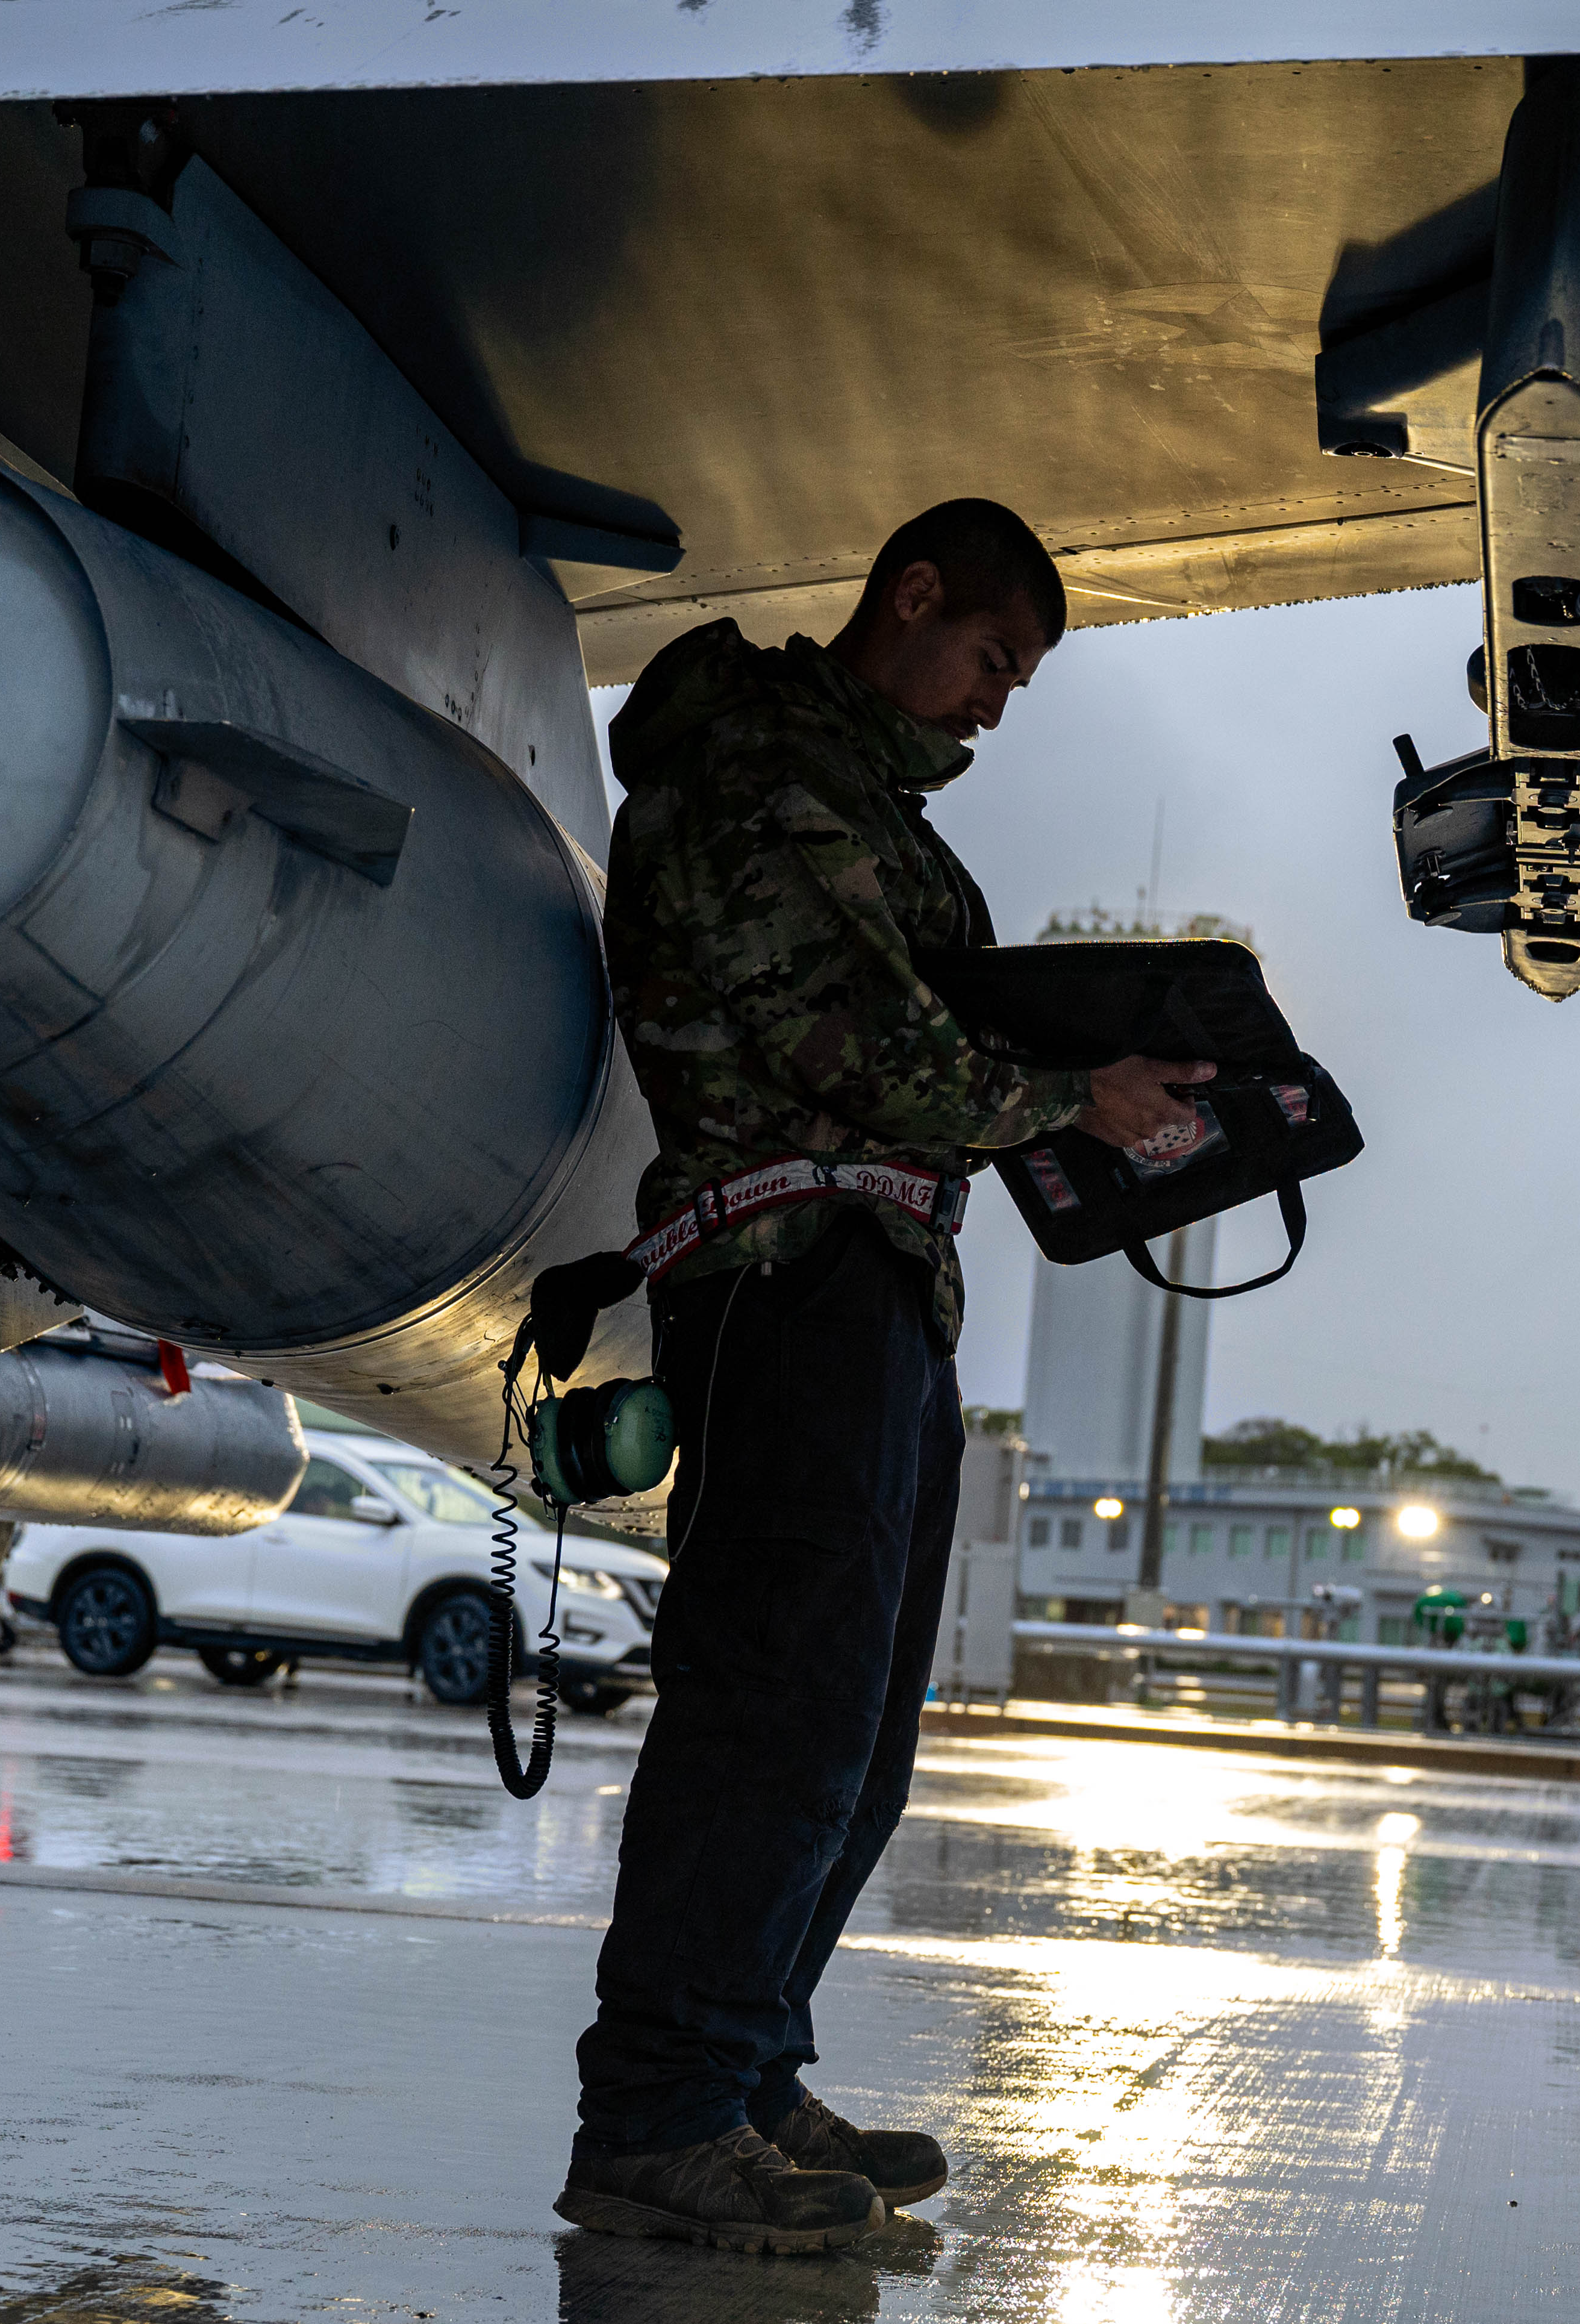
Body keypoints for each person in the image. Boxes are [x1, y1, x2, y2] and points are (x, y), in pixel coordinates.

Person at [555, 500, 1208, 2255]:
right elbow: (868, 1046)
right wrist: (1070, 1097)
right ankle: (662, 2113)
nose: (996, 706)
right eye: (991, 658)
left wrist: (1075, 1083)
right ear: (912, 598)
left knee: (857, 1741)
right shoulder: (761, 772)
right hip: (788, 1285)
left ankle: (746, 2067)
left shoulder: (860, 803)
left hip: (871, 1284)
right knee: (774, 1713)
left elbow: (925, 1049)